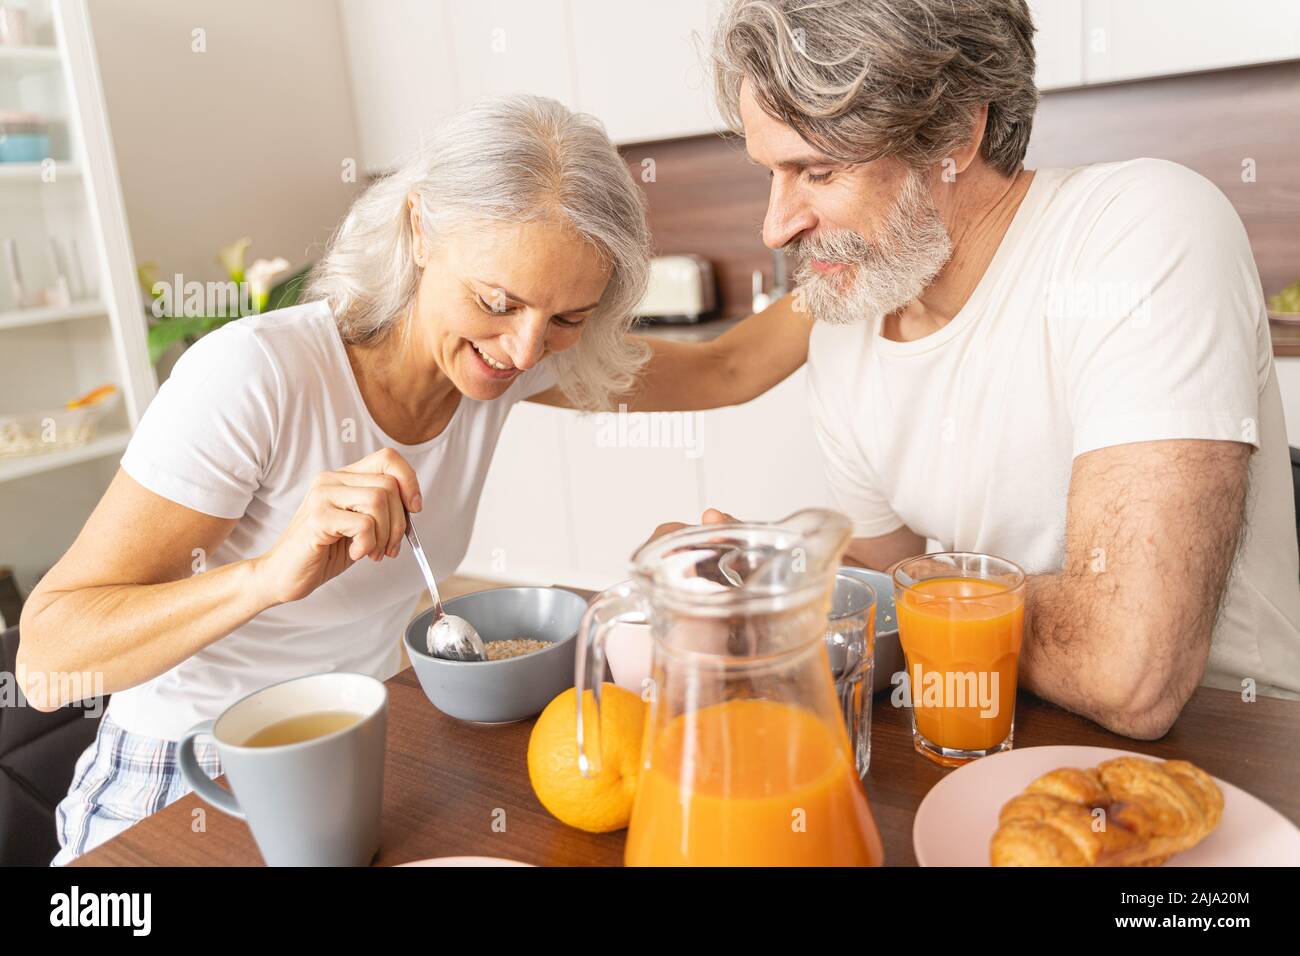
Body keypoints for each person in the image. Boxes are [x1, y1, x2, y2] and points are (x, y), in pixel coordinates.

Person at [18, 94, 811, 864]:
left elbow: (728, 368)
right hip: (186, 778)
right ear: (421, 227)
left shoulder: (506, 362)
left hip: (361, 755)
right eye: (497, 300)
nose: (528, 350)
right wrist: (263, 579)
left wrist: (865, 247)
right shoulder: (255, 375)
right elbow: (49, 662)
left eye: (569, 318)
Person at [684, 0, 1300, 737]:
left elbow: (1128, 668)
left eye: (815, 170)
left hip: (1230, 749)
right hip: (984, 722)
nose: (775, 224)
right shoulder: (849, 331)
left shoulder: (1144, 230)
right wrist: (774, 570)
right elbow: (889, 591)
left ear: (957, 131)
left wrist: (839, 589)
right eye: (771, 174)